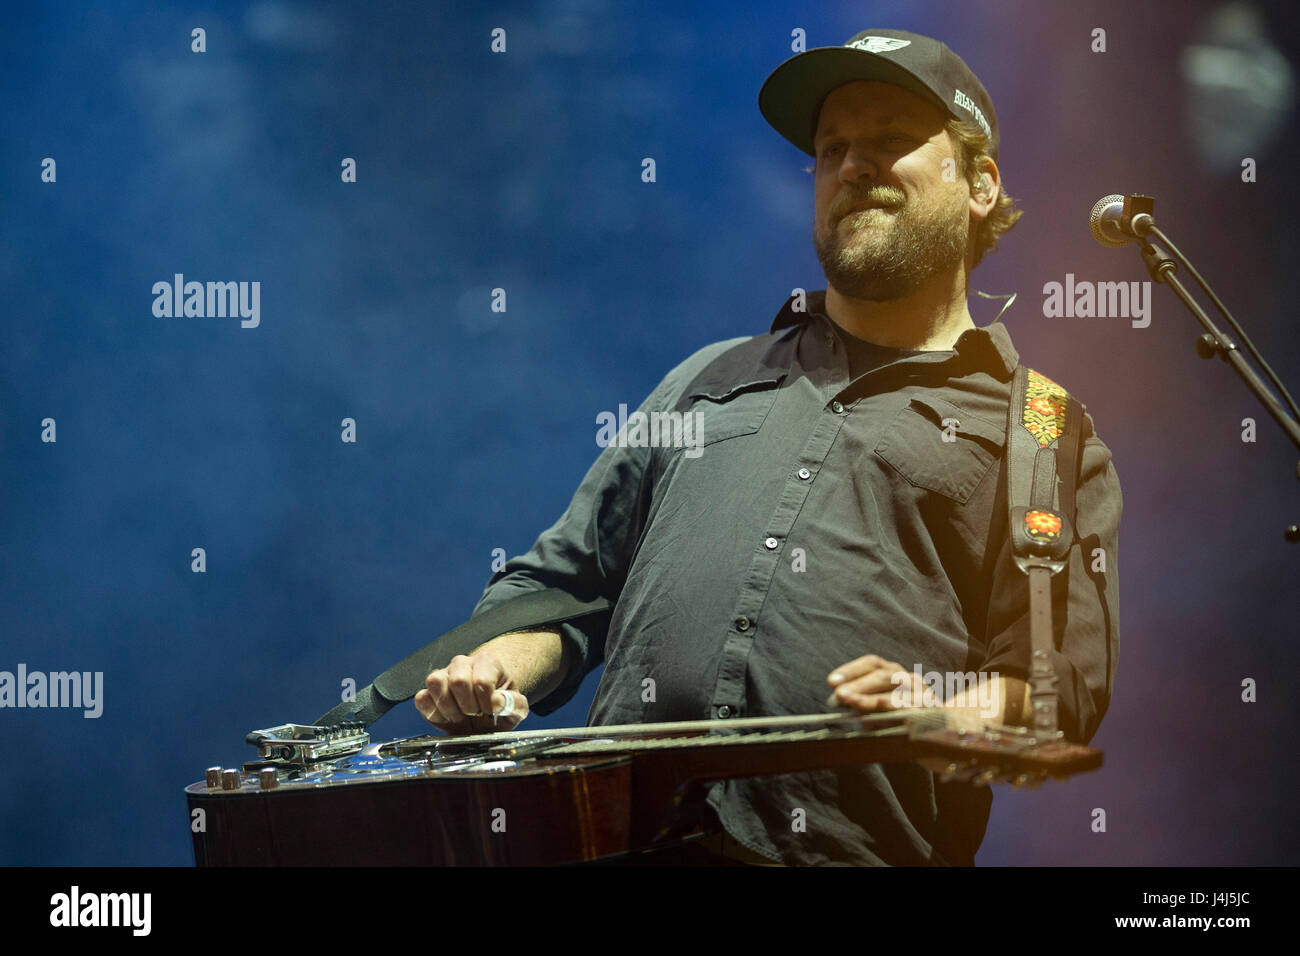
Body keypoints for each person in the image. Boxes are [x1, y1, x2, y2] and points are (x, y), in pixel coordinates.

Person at [413, 27, 1122, 866]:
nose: (852, 166)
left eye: (890, 140)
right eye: (831, 150)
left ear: (980, 183)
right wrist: (495, 667)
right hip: (605, 839)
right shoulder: (706, 377)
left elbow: (1054, 693)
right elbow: (562, 589)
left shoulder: (1040, 432)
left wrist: (935, 703)